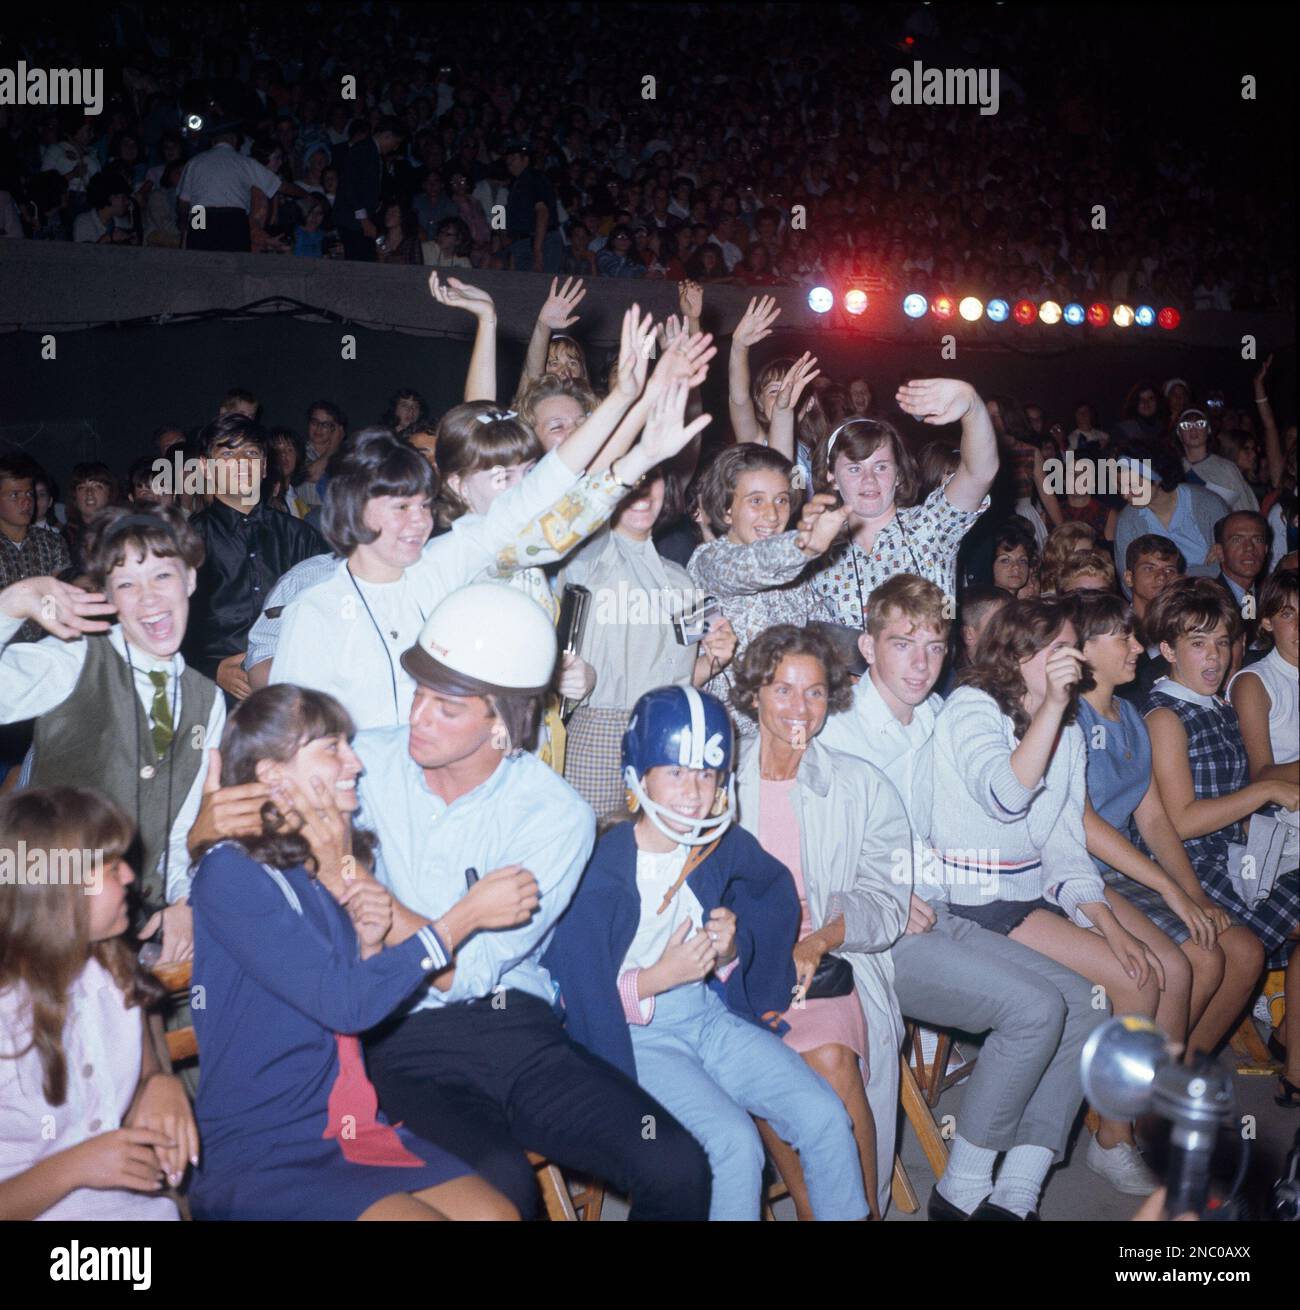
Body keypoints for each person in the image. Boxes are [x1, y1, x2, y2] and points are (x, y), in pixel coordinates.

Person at [344, 584, 712, 1220]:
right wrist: (457, 915)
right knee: (503, 1189)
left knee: (676, 1163)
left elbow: (466, 971)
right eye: (420, 693)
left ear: (500, 725)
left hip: (518, 1029)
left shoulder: (554, 813)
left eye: (446, 707)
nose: (418, 717)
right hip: (401, 1037)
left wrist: (361, 885)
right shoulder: (361, 764)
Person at [819, 574, 1107, 1220]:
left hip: (941, 908)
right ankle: (963, 1189)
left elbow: (986, 804)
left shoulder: (937, 716)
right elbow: (805, 850)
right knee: (1033, 1009)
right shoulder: (836, 728)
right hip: (867, 933)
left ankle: (1017, 1191)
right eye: (902, 644)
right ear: (868, 647)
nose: (921, 663)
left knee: (1087, 1006)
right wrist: (888, 892)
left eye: (934, 645)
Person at [187, 685, 517, 1220]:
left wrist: (365, 944)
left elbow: (338, 1006)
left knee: (496, 1216)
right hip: (266, 1147)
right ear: (272, 774)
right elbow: (344, 1005)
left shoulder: (308, 867)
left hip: (346, 1125)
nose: (355, 763)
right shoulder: (230, 872)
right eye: (332, 748)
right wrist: (463, 918)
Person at [544, 686, 868, 1221]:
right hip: (634, 1039)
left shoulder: (719, 848)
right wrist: (655, 978)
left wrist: (731, 948)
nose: (694, 792)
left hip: (706, 1017)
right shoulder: (597, 869)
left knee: (824, 1115)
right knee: (734, 1145)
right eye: (675, 772)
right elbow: (571, 995)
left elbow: (767, 901)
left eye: (707, 773)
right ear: (638, 777)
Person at [914, 597, 1168, 1195]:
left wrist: (1107, 923)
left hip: (1027, 895)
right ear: (1019, 654)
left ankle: (1062, 1157)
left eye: (1073, 647)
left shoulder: (1069, 727)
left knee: (1139, 969)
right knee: (1131, 983)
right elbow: (1007, 796)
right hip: (969, 896)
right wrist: (1054, 707)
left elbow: (1062, 846)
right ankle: (1112, 1139)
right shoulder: (971, 710)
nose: (1072, 659)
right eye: (1059, 648)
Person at [726, 625, 913, 1217]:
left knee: (828, 1056)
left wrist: (819, 939)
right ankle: (818, 1210)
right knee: (758, 1056)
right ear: (754, 694)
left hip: (830, 962)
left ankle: (859, 1211)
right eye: (782, 690)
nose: (798, 708)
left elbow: (887, 902)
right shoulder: (719, 782)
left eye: (813, 693)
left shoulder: (860, 786)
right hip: (735, 966)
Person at [0, 506, 225, 955]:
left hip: (135, 930)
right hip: (46, 923)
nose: (148, 599)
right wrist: (12, 602)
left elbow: (179, 832)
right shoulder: (75, 659)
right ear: (107, 597)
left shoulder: (207, 698)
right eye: (126, 584)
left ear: (191, 580)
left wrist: (182, 899)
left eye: (162, 576)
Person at [1075, 591, 1264, 1057]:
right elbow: (1084, 824)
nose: (1139, 648)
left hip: (1124, 869)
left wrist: (1191, 895)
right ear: (1083, 648)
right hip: (1081, 871)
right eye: (1126, 638)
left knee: (1224, 949)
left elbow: (1155, 817)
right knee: (1198, 956)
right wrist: (1177, 892)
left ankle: (1167, 1083)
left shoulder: (1129, 717)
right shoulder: (1069, 719)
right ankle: (1146, 1092)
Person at [0, 787, 193, 1220]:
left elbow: (145, 1069)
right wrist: (76, 1167)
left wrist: (160, 1085)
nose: (129, 877)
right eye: (109, 866)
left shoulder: (109, 971)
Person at [1143, 578, 1300, 1071]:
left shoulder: (1214, 705)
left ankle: (1190, 1064)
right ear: (1168, 649)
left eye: (1222, 642)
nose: (1213, 657)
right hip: (1180, 861)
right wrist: (1265, 790)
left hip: (1230, 854)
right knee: (1245, 952)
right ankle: (1178, 1067)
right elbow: (1182, 821)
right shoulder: (1166, 716)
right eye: (1197, 644)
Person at [559, 468, 737, 816]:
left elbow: (684, 677)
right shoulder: (586, 557)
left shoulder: (680, 579)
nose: (640, 491)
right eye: (630, 478)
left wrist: (717, 656)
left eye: (651, 477)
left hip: (665, 735)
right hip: (598, 735)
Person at [810, 379, 997, 629]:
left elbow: (979, 473)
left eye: (881, 466)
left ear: (898, 474)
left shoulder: (929, 527)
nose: (869, 479)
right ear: (831, 477)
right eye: (855, 468)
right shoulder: (819, 552)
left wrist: (972, 407)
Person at [686, 445, 843, 729]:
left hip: (789, 727)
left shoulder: (795, 573)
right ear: (726, 509)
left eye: (782, 500)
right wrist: (804, 546)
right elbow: (752, 566)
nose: (772, 515)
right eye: (756, 501)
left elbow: (824, 632)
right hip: (727, 737)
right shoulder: (707, 563)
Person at [183, 414, 327, 699]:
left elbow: (328, 613)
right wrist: (210, 669)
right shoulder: (183, 541)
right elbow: (161, 623)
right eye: (227, 452)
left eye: (250, 452)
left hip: (292, 690)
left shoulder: (300, 536)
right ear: (206, 468)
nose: (240, 461)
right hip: (210, 696)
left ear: (263, 467)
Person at [1227, 569, 1300, 1104]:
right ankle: (1295, 1069)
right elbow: (1263, 777)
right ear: (1270, 622)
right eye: (1290, 614)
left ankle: (1286, 1038)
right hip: (1274, 844)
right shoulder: (1256, 681)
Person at [178, 117, 307, 253]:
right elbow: (281, 186)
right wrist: (307, 195)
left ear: (213, 141)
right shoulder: (244, 162)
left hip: (199, 213)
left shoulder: (194, 162)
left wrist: (185, 230)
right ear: (234, 140)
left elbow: (183, 203)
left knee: (199, 261)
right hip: (232, 216)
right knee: (232, 263)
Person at [1112, 445, 1229, 589]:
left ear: (1156, 477)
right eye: (1120, 485)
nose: (1124, 494)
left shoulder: (1206, 504)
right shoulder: (1128, 521)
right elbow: (1129, 582)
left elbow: (1231, 564)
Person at [0, 454, 71, 644]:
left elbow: (57, 599)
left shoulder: (52, 542)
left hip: (47, 645)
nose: (26, 502)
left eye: (29, 493)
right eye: (14, 495)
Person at [333, 116, 406, 262]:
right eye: (395, 142)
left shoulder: (371, 152)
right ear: (387, 136)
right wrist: (364, 219)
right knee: (358, 265)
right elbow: (350, 186)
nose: (395, 147)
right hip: (353, 222)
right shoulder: (363, 150)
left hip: (358, 221)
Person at [1176, 409, 1258, 513]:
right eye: (1186, 425)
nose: (1193, 430)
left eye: (1200, 424)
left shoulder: (1226, 468)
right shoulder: (1173, 468)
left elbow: (1245, 507)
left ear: (1208, 430)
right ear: (1179, 432)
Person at [504, 140, 562, 273]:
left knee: (541, 287)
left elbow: (542, 212)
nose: (509, 162)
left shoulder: (533, 178)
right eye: (508, 159)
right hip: (522, 243)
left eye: (514, 158)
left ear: (525, 160)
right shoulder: (514, 185)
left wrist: (537, 250)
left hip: (540, 240)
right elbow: (499, 212)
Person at [990, 519, 1041, 599]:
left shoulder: (1019, 608)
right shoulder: (987, 608)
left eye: (1022, 561)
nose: (1016, 566)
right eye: (1006, 560)